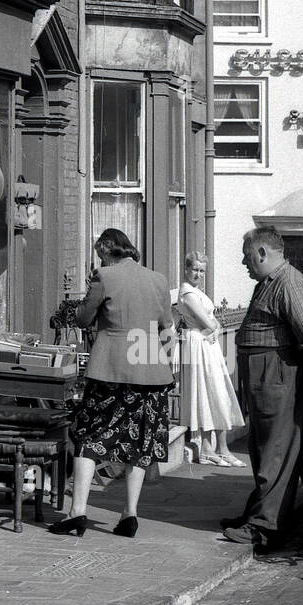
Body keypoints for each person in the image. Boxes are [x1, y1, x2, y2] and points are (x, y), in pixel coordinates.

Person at [50, 227, 176, 539]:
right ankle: (129, 514)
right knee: (140, 444)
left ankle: (77, 511)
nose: (99, 259)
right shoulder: (158, 279)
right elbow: (165, 327)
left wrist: (78, 308)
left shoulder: (104, 276)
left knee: (89, 436)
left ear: (108, 249)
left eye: (99, 253)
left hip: (110, 370)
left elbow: (82, 319)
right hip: (150, 372)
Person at [221, 226, 303, 550]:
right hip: (266, 375)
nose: (244, 262)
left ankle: (263, 526)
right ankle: (258, 513)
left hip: (276, 374)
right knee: (263, 447)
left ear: (262, 253)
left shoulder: (288, 281)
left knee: (274, 449)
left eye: (248, 256)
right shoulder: (270, 281)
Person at [175, 252, 246, 467]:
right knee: (208, 392)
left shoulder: (197, 292)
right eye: (195, 269)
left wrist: (214, 327)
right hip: (198, 344)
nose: (198, 274)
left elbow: (215, 323)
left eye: (202, 270)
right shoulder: (187, 293)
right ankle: (209, 449)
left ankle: (220, 448)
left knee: (219, 393)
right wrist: (214, 327)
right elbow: (207, 321)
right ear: (186, 269)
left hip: (207, 345)